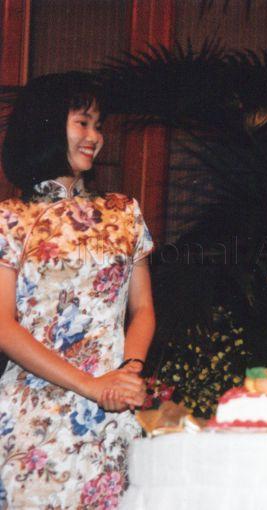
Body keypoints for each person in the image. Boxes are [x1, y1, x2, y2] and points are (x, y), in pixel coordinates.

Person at [0, 72, 155, 507]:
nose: (96, 136)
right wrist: (90, 385)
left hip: (112, 412)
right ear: (49, 125)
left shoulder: (123, 212)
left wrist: (128, 373)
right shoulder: (10, 219)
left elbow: (142, 309)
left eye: (98, 125)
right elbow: (2, 326)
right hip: (33, 422)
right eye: (82, 122)